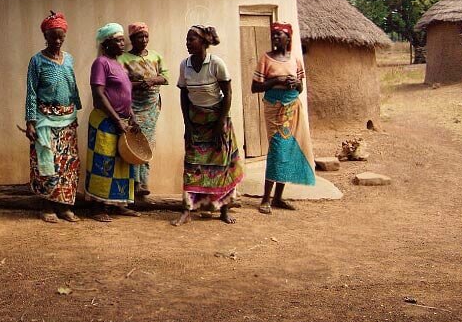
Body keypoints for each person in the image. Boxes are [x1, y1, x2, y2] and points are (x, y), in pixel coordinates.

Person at [172, 25, 244, 226]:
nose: (187, 43)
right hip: (196, 122)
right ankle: (187, 211)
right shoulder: (184, 65)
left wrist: (221, 122)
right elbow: (184, 95)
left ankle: (224, 210)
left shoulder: (216, 64)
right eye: (187, 40)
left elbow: (227, 93)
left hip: (217, 119)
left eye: (191, 40)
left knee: (222, 165)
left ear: (203, 42)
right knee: (192, 165)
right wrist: (187, 125)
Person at [251, 22, 316, 214]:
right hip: (274, 107)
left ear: (288, 38)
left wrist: (296, 83)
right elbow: (255, 87)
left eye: (279, 35)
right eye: (274, 35)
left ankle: (278, 198)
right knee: (277, 150)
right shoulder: (266, 59)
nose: (276, 38)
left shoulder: (295, 59)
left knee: (287, 151)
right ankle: (265, 199)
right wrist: (276, 81)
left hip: (292, 108)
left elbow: (301, 88)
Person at [24, 11, 82, 223]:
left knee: (67, 163)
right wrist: (30, 121)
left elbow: (72, 85)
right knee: (46, 163)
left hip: (67, 119)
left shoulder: (69, 59)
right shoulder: (37, 61)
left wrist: (76, 109)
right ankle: (47, 207)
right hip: (44, 119)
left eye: (61, 37)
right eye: (53, 37)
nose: (57, 41)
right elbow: (31, 91)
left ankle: (64, 206)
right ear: (45, 37)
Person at [85, 23, 141, 222]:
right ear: (107, 44)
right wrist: (117, 120)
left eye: (122, 39)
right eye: (117, 40)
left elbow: (125, 94)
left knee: (121, 163)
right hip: (105, 121)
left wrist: (131, 116)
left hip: (121, 121)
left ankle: (119, 204)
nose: (122, 43)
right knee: (103, 163)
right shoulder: (101, 63)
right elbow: (99, 95)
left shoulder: (119, 64)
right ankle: (97, 207)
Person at [118, 22, 169, 197]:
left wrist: (153, 81)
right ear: (131, 39)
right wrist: (140, 84)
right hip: (132, 107)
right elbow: (121, 85)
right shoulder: (123, 59)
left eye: (146, 36)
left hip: (151, 108)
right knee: (133, 144)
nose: (144, 40)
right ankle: (134, 184)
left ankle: (144, 184)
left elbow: (166, 77)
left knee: (148, 144)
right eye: (140, 37)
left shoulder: (156, 57)